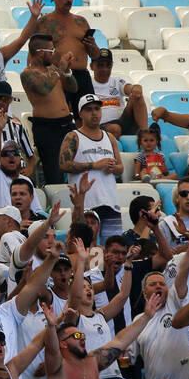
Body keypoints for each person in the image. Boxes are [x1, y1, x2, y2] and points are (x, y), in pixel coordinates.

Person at [58, 93, 123, 239]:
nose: (94, 113)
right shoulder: (73, 136)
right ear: (80, 113)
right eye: (89, 109)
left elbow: (121, 168)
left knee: (112, 249)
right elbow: (63, 164)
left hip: (110, 202)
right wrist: (95, 165)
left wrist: (114, 168)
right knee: (85, 247)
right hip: (85, 204)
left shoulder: (109, 137)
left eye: (96, 109)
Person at [21, 32, 77, 185]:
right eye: (51, 52)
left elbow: (73, 87)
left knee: (77, 167)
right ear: (40, 53)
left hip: (66, 123)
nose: (54, 55)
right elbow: (44, 88)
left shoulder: (52, 69)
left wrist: (67, 71)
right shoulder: (28, 74)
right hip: (47, 129)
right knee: (54, 174)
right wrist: (60, 69)